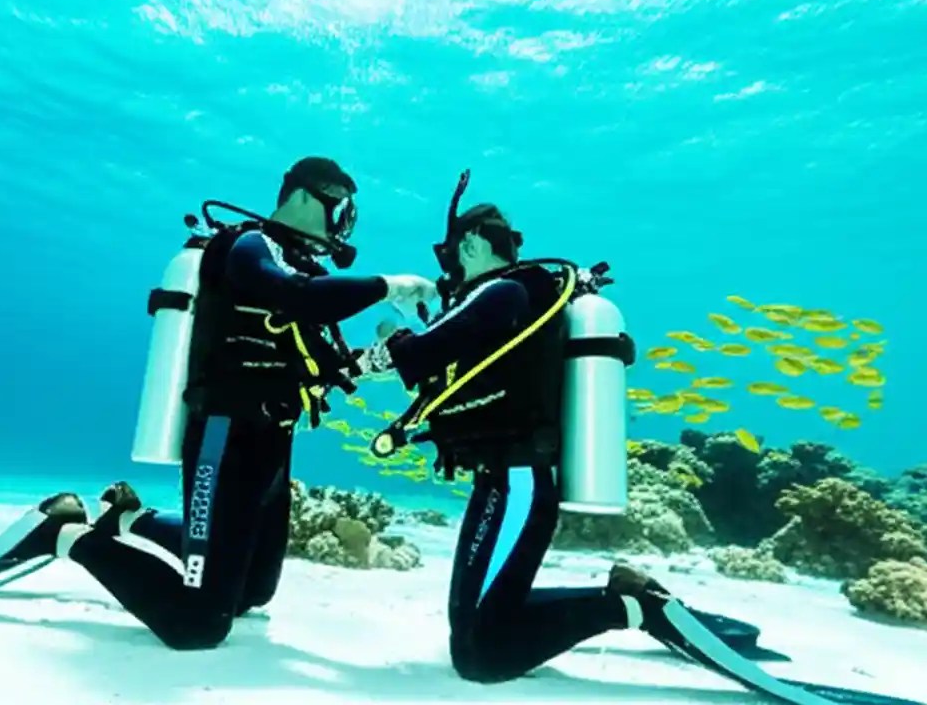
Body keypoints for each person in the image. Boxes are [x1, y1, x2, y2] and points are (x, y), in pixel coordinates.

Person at [349, 174, 862, 704]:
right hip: (502, 482)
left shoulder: (503, 292)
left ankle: (633, 607)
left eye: (451, 256)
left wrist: (374, 349)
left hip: (518, 484)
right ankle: (618, 594)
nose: (448, 271)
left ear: (473, 244)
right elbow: (450, 363)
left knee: (479, 657)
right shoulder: (511, 300)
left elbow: (429, 351)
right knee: (470, 626)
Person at [14, 156, 437, 651]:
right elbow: (295, 296)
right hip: (225, 433)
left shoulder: (306, 268)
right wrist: (392, 285)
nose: (343, 222)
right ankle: (64, 534)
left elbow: (325, 363)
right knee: (200, 624)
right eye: (338, 206)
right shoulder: (248, 246)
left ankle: (129, 519)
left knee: (254, 592)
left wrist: (382, 359)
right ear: (303, 196)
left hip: (272, 443)